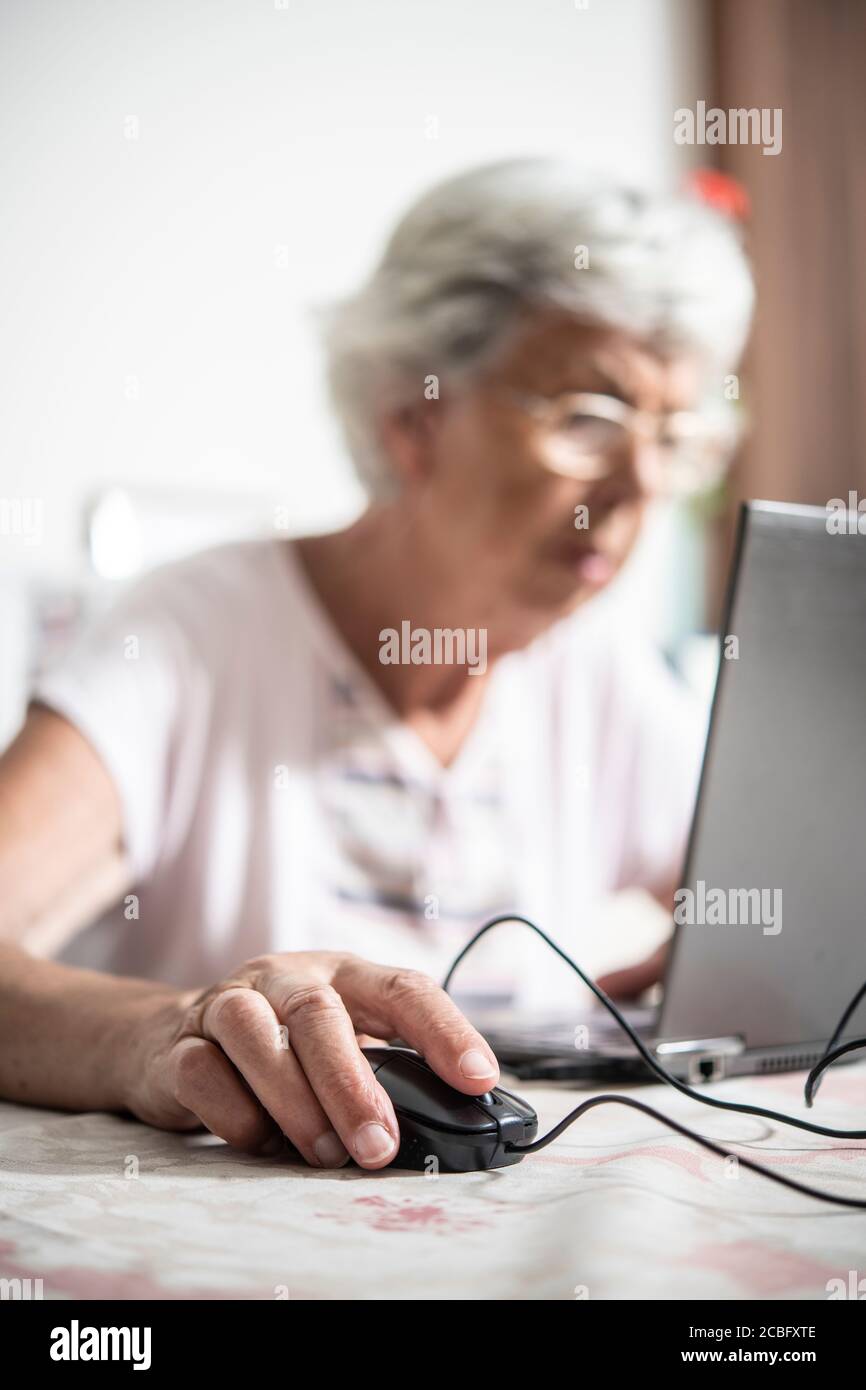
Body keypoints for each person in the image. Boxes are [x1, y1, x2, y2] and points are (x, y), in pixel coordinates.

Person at [0, 159, 753, 1169]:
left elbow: (770, 922)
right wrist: (166, 1031)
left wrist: (740, 966)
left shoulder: (597, 675)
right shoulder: (189, 635)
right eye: (589, 417)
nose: (642, 484)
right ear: (415, 416)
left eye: (672, 433)